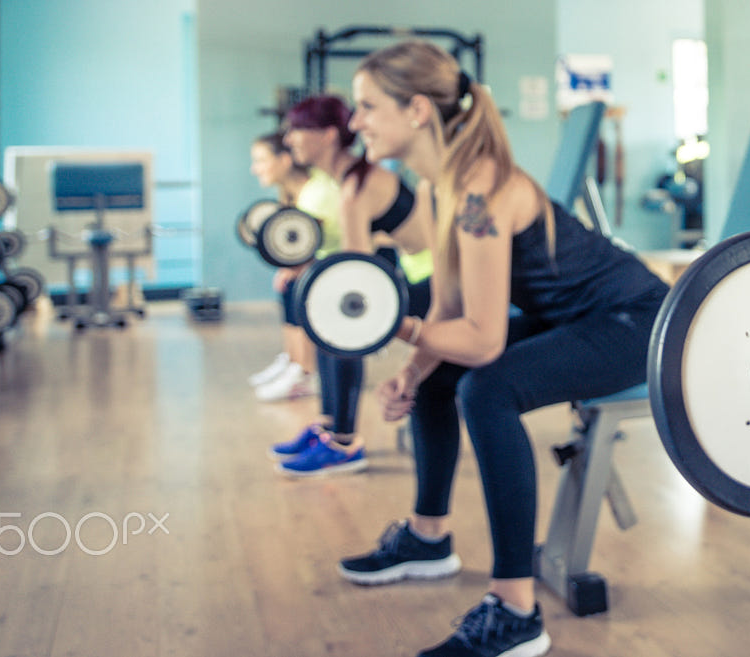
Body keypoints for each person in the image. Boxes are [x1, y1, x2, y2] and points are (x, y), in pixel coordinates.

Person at [340, 40, 667, 657]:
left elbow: (484, 341)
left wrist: (396, 325)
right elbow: (447, 309)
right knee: (442, 375)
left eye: (366, 106)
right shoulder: (442, 185)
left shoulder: (478, 189)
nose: (355, 122)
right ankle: (429, 536)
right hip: (574, 318)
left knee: (486, 387)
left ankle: (515, 610)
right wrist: (413, 370)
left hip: (637, 322)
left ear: (415, 111)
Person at [266, 94, 435, 479]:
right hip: (413, 270)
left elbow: (355, 276)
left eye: (297, 130)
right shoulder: (342, 181)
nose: (289, 139)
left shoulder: (356, 188)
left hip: (432, 281)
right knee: (325, 316)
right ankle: (329, 425)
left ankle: (343, 443)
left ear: (327, 136)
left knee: (338, 326)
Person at [246, 132, 316, 393]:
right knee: (287, 285)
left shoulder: (313, 193)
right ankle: (294, 361)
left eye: (261, 160)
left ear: (285, 160)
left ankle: (305, 371)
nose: (255, 169)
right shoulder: (287, 195)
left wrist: (296, 269)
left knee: (296, 286)